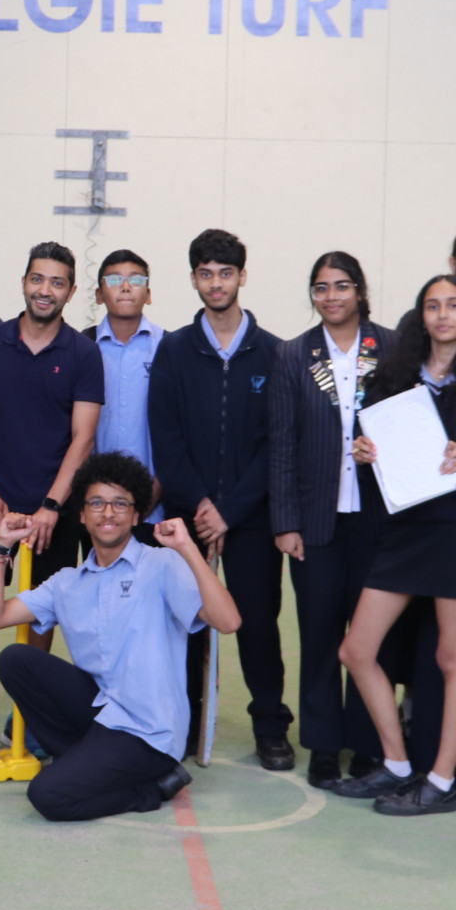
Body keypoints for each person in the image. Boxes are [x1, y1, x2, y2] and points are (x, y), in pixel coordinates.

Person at [334, 275, 456, 817]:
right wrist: (365, 456)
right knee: (356, 650)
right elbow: (379, 467)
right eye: (433, 306)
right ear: (422, 316)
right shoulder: (394, 382)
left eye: (453, 305)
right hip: (407, 531)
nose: (442, 314)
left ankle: (440, 780)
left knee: (452, 658)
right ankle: (394, 764)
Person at [0, 452, 242, 822]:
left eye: (121, 503)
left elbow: (228, 621)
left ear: (136, 515)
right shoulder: (67, 583)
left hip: (148, 730)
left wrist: (186, 548)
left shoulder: (161, 565)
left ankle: (151, 788)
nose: (108, 513)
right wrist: (1, 547)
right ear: (82, 515)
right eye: (97, 503)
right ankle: (80, 758)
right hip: (102, 712)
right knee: (16, 660)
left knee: (47, 794)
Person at [147, 230, 289, 769]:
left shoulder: (275, 353)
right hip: (188, 514)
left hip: (250, 518)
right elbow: (167, 437)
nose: (216, 283)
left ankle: (271, 725)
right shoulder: (175, 350)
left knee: (256, 621)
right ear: (193, 280)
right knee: (186, 618)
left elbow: (276, 444)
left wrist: (231, 509)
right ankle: (181, 723)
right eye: (206, 273)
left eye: (225, 273)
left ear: (242, 277)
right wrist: (201, 504)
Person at [0, 241, 104, 749]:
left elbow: (82, 438)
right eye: (38, 279)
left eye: (57, 282)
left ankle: (25, 716)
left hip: (51, 513)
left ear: (71, 291)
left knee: (38, 616)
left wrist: (51, 508)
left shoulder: (84, 354)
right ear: (24, 282)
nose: (46, 290)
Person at [270, 252, 396, 788]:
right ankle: (324, 745)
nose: (332, 297)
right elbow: (281, 443)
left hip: (378, 521)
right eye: (321, 288)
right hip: (315, 523)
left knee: (371, 642)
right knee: (320, 635)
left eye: (342, 286)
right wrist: (285, 521)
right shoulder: (293, 356)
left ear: (360, 291)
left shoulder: (391, 349)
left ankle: (368, 745)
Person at [89, 250, 164, 523]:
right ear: (99, 294)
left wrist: (152, 498)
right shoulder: (83, 348)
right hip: (96, 507)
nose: (125, 286)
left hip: (157, 506)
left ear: (149, 293)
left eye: (136, 279)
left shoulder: (168, 348)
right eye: (113, 280)